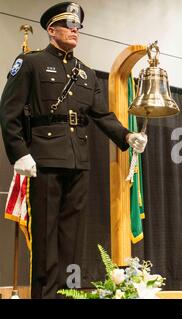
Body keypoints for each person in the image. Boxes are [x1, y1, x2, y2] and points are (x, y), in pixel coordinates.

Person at [0, 2, 147, 298]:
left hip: (79, 162)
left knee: (73, 237)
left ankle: (69, 294)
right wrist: (19, 154)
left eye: (77, 25)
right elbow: (8, 112)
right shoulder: (31, 63)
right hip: (43, 160)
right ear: (51, 30)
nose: (74, 30)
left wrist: (128, 135)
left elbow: (102, 115)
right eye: (68, 25)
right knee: (45, 237)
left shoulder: (86, 74)